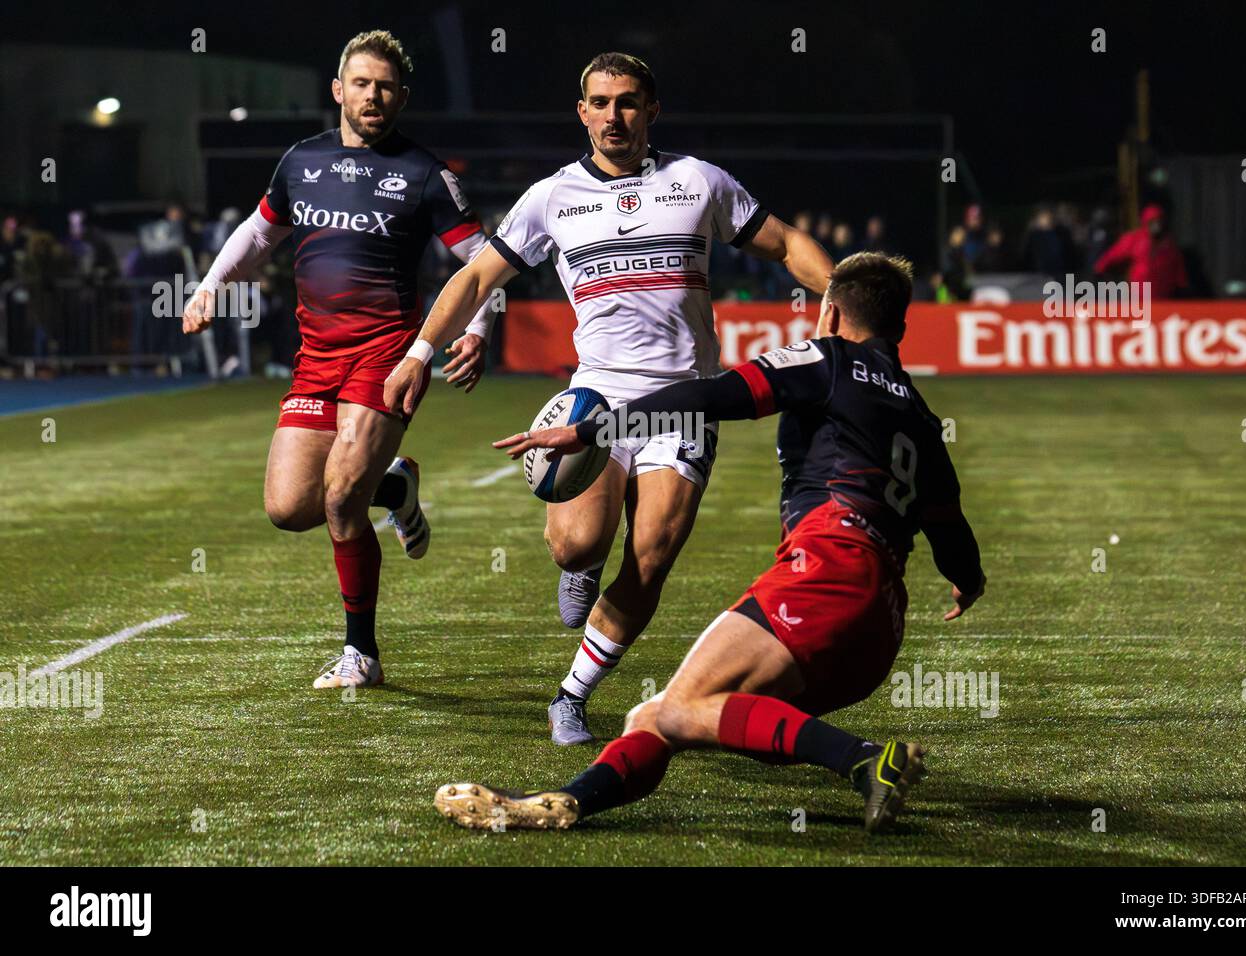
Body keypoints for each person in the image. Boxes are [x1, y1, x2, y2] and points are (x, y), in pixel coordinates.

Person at [433, 252, 986, 834]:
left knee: (673, 710)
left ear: (828, 313)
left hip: (823, 576)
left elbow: (707, 397)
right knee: (667, 716)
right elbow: (950, 528)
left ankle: (866, 760)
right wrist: (966, 579)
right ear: (900, 328)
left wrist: (590, 429)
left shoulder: (826, 359)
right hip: (878, 630)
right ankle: (564, 804)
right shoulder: (922, 415)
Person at [385, 52, 835, 746]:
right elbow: (477, 279)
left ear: (651, 110)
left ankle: (570, 697)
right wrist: (419, 352)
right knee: (575, 544)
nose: (614, 115)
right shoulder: (552, 197)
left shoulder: (698, 182)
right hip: (596, 396)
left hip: (685, 399)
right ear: (582, 112)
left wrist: (840, 305)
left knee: (652, 552)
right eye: (600, 101)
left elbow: (785, 243)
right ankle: (583, 564)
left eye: (628, 102)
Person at [182, 30, 497, 688]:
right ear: (338, 91)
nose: (372, 95)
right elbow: (258, 232)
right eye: (361, 83)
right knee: (290, 507)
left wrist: (478, 327)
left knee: (340, 501)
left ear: (401, 97)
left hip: (387, 355)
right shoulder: (301, 161)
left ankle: (362, 654)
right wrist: (211, 286)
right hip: (315, 358)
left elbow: (483, 260)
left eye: (385, 86)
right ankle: (396, 484)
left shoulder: (426, 174)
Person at [1093, 204, 1188, 299]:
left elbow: (1177, 267)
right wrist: (1100, 269)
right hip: (1139, 296)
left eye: (1159, 221)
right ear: (1146, 222)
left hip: (1162, 297)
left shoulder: (1169, 245)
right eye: (1152, 222)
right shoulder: (1135, 239)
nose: (1156, 225)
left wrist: (1182, 286)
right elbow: (1113, 255)